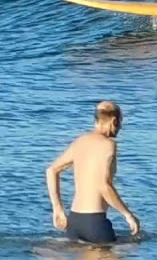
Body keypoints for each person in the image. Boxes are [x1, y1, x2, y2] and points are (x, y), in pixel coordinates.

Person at [46, 101, 140, 244]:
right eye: (120, 122)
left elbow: (51, 170)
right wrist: (127, 214)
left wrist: (57, 209)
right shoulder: (108, 145)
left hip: (74, 222)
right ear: (114, 121)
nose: (120, 127)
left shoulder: (80, 142)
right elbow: (103, 186)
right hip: (95, 223)